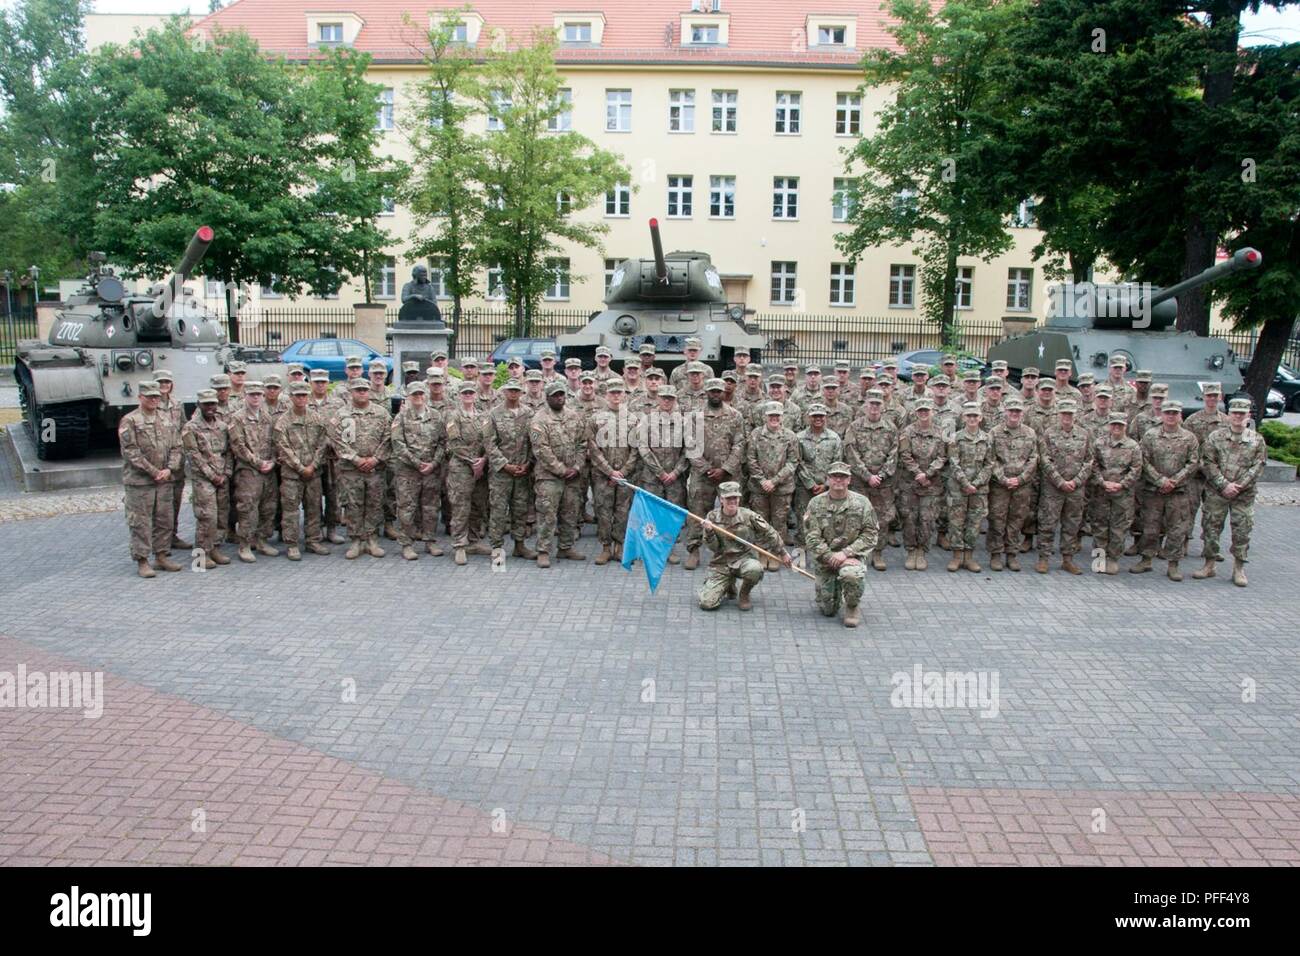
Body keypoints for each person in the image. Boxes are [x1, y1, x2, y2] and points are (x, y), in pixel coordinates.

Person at [1195, 398, 1266, 586]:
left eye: (1242, 414)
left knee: (1242, 530)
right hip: (1217, 492)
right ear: (1229, 415)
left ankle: (1239, 568)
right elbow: (1207, 462)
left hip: (1243, 495)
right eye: (1234, 413)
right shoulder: (1216, 437)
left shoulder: (1256, 440)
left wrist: (1238, 486)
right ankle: (1209, 565)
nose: (1237, 417)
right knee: (1211, 527)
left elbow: (1258, 466)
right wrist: (1223, 484)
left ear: (1248, 416)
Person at [119, 380, 184, 578]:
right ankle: (142, 560)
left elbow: (177, 446)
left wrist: (169, 469)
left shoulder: (166, 419)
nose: (154, 399)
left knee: (164, 519)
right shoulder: (130, 420)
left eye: (156, 396)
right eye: (150, 397)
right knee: (140, 522)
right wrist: (154, 471)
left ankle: (162, 555)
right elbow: (131, 452)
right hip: (140, 482)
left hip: (164, 479)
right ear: (140, 397)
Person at [802, 462, 878, 628]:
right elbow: (812, 538)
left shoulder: (862, 503)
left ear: (849, 480)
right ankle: (833, 588)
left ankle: (852, 606)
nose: (838, 480)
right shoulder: (815, 504)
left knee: (851, 575)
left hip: (852, 557)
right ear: (827, 479)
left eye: (842, 477)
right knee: (828, 610)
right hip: (825, 559)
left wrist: (846, 553)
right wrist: (831, 557)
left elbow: (870, 534)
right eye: (834, 476)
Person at [698, 481, 792, 612]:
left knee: (755, 569)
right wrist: (708, 531)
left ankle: (744, 594)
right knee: (707, 603)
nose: (732, 501)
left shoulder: (749, 516)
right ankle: (728, 584)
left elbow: (769, 532)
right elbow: (713, 548)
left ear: (739, 499)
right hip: (721, 562)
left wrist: (782, 552)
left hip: (744, 559)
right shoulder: (712, 517)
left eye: (735, 498)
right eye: (728, 498)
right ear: (721, 499)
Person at [1133, 400, 1199, 580]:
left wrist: (1174, 481)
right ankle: (1146, 559)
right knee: (1150, 527)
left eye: (1174, 413)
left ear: (1180, 416)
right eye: (1167, 413)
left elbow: (1193, 463)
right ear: (1162, 415)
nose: (1170, 416)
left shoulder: (1189, 438)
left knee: (1177, 529)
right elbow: (1143, 461)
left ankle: (1173, 564)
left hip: (1178, 492)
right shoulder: (1150, 435)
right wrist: (1160, 480)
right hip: (1154, 491)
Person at [684, 380, 746, 569]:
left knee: (732, 515)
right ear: (706, 393)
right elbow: (690, 444)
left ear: (723, 393)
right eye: (712, 392)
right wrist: (706, 468)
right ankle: (694, 550)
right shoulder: (695, 416)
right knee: (697, 514)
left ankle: (731, 552)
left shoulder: (735, 415)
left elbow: (740, 444)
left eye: (718, 391)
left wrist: (725, 468)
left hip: (728, 475)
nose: (716, 395)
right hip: (702, 475)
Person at [328, 379, 391, 560]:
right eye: (358, 390)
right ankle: (355, 540)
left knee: (374, 503)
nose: (362, 393)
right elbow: (336, 439)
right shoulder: (341, 414)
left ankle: (371, 539)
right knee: (353, 505)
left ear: (369, 391)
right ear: (351, 392)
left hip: (375, 469)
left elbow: (388, 438)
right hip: (350, 470)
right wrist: (355, 459)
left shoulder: (381, 413)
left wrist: (375, 458)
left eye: (364, 389)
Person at [531, 381, 588, 567]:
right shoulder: (539, 419)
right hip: (549, 477)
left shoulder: (573, 416)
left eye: (561, 394)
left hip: (572, 475)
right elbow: (541, 450)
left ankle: (565, 547)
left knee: (570, 512)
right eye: (555, 395)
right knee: (547, 514)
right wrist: (562, 470)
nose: (559, 398)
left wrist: (578, 467)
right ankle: (543, 551)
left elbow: (582, 443)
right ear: (547, 398)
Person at [391, 381, 448, 560]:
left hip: (431, 471)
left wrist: (433, 463)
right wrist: (417, 463)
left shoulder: (436, 416)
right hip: (408, 472)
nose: (418, 398)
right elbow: (398, 444)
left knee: (430, 508)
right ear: (408, 397)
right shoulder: (401, 417)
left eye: (421, 394)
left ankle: (430, 541)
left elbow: (443, 442)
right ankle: (406, 544)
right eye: (414, 395)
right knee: (407, 508)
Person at [275, 381, 331, 560]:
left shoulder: (316, 418)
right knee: (291, 510)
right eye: (297, 395)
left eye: (304, 395)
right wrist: (300, 467)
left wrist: (313, 466)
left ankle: (313, 540)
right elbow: (283, 448)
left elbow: (323, 444)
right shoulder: (283, 421)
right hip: (292, 474)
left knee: (314, 507)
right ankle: (291, 544)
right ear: (291, 397)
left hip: (313, 473)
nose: (301, 398)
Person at [1035, 400, 1092, 575]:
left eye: (1070, 414)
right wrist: (1060, 481)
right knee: (1047, 523)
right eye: (1064, 413)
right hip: (1053, 488)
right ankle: (1043, 559)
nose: (1067, 417)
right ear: (1058, 414)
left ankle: (1068, 559)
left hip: (1076, 488)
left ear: (1075, 415)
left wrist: (1076, 481)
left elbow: (1089, 460)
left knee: (1072, 524)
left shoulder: (1084, 434)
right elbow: (1044, 459)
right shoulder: (1049, 434)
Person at [842, 389, 897, 571]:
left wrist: (880, 476)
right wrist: (867, 475)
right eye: (871, 404)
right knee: (857, 516)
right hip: (860, 481)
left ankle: (878, 553)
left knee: (882, 518)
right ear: (865, 405)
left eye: (878, 404)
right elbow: (851, 453)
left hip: (883, 483)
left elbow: (894, 454)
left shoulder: (890, 428)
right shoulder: (855, 427)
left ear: (883, 406)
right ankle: (858, 553)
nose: (874, 407)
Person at [227, 382, 279, 563]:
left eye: (259, 394)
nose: (256, 397)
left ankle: (262, 540)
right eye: (252, 394)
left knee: (268, 507)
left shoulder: (267, 417)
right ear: (245, 396)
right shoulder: (237, 418)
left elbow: (275, 442)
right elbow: (239, 446)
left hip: (268, 470)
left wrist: (272, 461)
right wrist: (258, 463)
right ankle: (245, 545)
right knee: (248, 509)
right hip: (248, 471)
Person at [588, 382, 639, 565]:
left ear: (624, 394)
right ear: (607, 394)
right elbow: (593, 448)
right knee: (603, 510)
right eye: (612, 393)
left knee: (622, 511)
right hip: (603, 475)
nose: (616, 396)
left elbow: (636, 449)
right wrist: (610, 472)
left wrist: (623, 472)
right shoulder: (596, 419)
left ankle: (620, 546)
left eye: (619, 393)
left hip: (626, 475)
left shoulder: (633, 419)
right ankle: (605, 547)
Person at [181, 388, 232, 570]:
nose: (210, 407)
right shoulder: (191, 428)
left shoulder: (223, 427)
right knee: (206, 517)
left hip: (222, 478)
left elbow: (228, 453)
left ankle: (214, 549)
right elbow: (194, 456)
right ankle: (200, 557)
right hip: (204, 480)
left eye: (213, 403)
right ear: (199, 405)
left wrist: (225, 474)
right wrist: (213, 476)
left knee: (220, 516)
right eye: (206, 404)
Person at [746, 402, 800, 570]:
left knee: (779, 521)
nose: (774, 419)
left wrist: (774, 481)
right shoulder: (756, 434)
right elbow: (751, 459)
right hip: (758, 487)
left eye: (777, 416)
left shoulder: (790, 436)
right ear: (765, 417)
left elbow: (793, 462)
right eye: (771, 416)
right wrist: (762, 481)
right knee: (760, 520)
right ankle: (762, 552)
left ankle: (777, 553)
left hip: (782, 488)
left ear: (782, 417)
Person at [987, 397, 1038, 572]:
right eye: (1011, 411)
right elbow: (990, 459)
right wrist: (1003, 479)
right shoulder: (994, 432)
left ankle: (1011, 554)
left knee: (1017, 519)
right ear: (1005, 412)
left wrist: (1021, 478)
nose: (1014, 414)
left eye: (1017, 411)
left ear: (1022, 413)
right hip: (1000, 485)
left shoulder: (1030, 433)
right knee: (997, 519)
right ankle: (995, 554)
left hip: (1022, 485)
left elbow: (1033, 459)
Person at [1090, 412, 1143, 575]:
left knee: (1118, 528)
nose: (1116, 427)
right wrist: (1102, 482)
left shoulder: (1133, 446)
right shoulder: (1099, 443)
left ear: (1125, 426)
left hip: (1122, 494)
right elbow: (1093, 465)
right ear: (1109, 425)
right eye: (1113, 424)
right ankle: (1099, 558)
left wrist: (1121, 484)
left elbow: (1136, 468)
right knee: (1099, 525)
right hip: (1102, 492)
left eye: (1120, 425)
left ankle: (1113, 559)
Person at [897, 398, 946, 571]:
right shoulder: (907, 432)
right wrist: (918, 473)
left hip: (931, 484)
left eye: (927, 410)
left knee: (927, 519)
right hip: (910, 483)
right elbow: (905, 455)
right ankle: (911, 551)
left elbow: (942, 457)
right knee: (909, 518)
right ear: (916, 413)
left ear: (932, 412)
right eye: (921, 411)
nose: (924, 414)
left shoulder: (940, 433)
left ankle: (921, 552)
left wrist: (928, 473)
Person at [445, 381, 490, 565]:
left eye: (471, 393)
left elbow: (489, 440)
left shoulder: (483, 416)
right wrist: (473, 462)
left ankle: (473, 541)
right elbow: (455, 443)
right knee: (460, 507)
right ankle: (459, 545)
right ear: (459, 395)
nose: (468, 396)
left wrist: (484, 459)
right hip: (461, 468)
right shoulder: (453, 416)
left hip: (480, 469)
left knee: (478, 506)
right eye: (465, 393)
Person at [946, 403, 992, 573]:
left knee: (974, 523)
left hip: (979, 490)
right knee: (956, 522)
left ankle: (969, 557)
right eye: (969, 416)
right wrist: (966, 483)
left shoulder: (987, 438)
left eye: (975, 416)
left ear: (980, 418)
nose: (972, 419)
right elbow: (953, 463)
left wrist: (976, 484)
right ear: (964, 418)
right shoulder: (955, 438)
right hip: (958, 488)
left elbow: (990, 464)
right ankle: (957, 556)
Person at [792, 404, 842, 546]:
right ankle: (801, 552)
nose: (818, 419)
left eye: (821, 416)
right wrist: (810, 484)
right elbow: (797, 462)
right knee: (804, 519)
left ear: (826, 417)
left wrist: (826, 484)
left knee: (827, 520)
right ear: (809, 417)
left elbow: (837, 463)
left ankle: (824, 552)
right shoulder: (799, 438)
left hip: (828, 488)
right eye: (815, 416)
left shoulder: (834, 438)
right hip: (805, 487)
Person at [154, 369, 190, 550]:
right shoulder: (151, 404)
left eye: (167, 382)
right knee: (161, 505)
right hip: (158, 460)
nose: (164, 386)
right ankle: (160, 539)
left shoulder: (177, 404)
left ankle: (173, 535)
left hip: (177, 459)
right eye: (160, 382)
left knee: (176, 499)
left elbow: (184, 427)